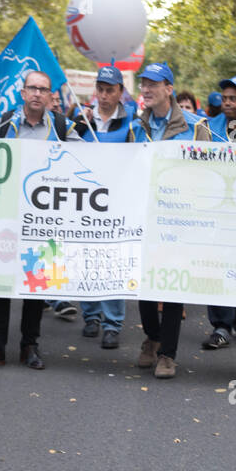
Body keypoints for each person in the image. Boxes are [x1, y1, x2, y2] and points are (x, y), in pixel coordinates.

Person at [0, 69, 82, 371]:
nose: (37, 94)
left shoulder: (62, 126)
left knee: (37, 283)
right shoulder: (5, 123)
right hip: (6, 214)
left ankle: (29, 346)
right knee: (0, 281)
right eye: (32, 88)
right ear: (23, 93)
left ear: (50, 96)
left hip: (44, 219)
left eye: (43, 89)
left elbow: (90, 160)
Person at [133, 61, 212, 379]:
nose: (146, 89)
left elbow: (210, 173)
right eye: (143, 84)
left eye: (153, 84)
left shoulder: (196, 126)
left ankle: (168, 354)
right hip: (145, 216)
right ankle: (152, 336)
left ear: (169, 88)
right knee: (144, 285)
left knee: (173, 282)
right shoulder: (135, 126)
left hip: (181, 219)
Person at [73, 65, 144, 349]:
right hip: (85, 202)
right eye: (100, 89)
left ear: (120, 93)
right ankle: (90, 315)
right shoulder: (81, 119)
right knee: (85, 257)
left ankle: (113, 322)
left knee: (113, 261)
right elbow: (64, 151)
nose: (103, 95)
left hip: (117, 204)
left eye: (109, 90)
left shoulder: (132, 123)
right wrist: (79, 124)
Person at [203, 74, 236, 347]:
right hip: (218, 210)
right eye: (224, 98)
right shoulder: (207, 127)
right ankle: (222, 325)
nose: (226, 103)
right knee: (217, 265)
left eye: (233, 99)